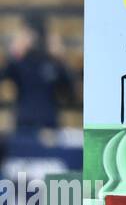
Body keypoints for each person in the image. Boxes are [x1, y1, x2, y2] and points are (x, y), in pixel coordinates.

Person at [0, 15, 76, 164]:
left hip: (50, 127)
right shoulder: (19, 62)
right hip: (23, 126)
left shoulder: (53, 62)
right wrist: (13, 54)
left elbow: (71, 95)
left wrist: (61, 59)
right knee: (20, 179)